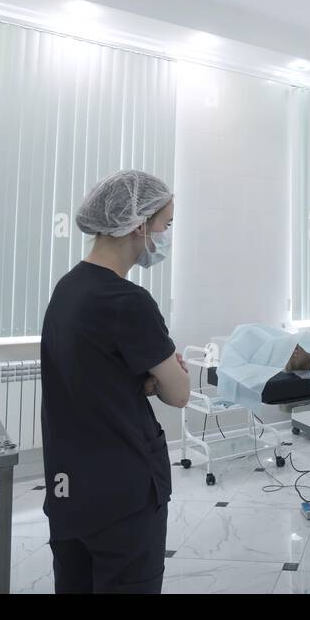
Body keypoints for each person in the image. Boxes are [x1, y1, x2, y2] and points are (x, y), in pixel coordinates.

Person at [40, 170, 190, 594]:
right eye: (167, 224)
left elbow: (88, 375)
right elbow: (179, 395)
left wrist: (144, 380)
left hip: (70, 489)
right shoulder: (129, 301)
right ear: (140, 225)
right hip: (122, 494)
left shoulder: (68, 289)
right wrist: (170, 375)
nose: (166, 234)